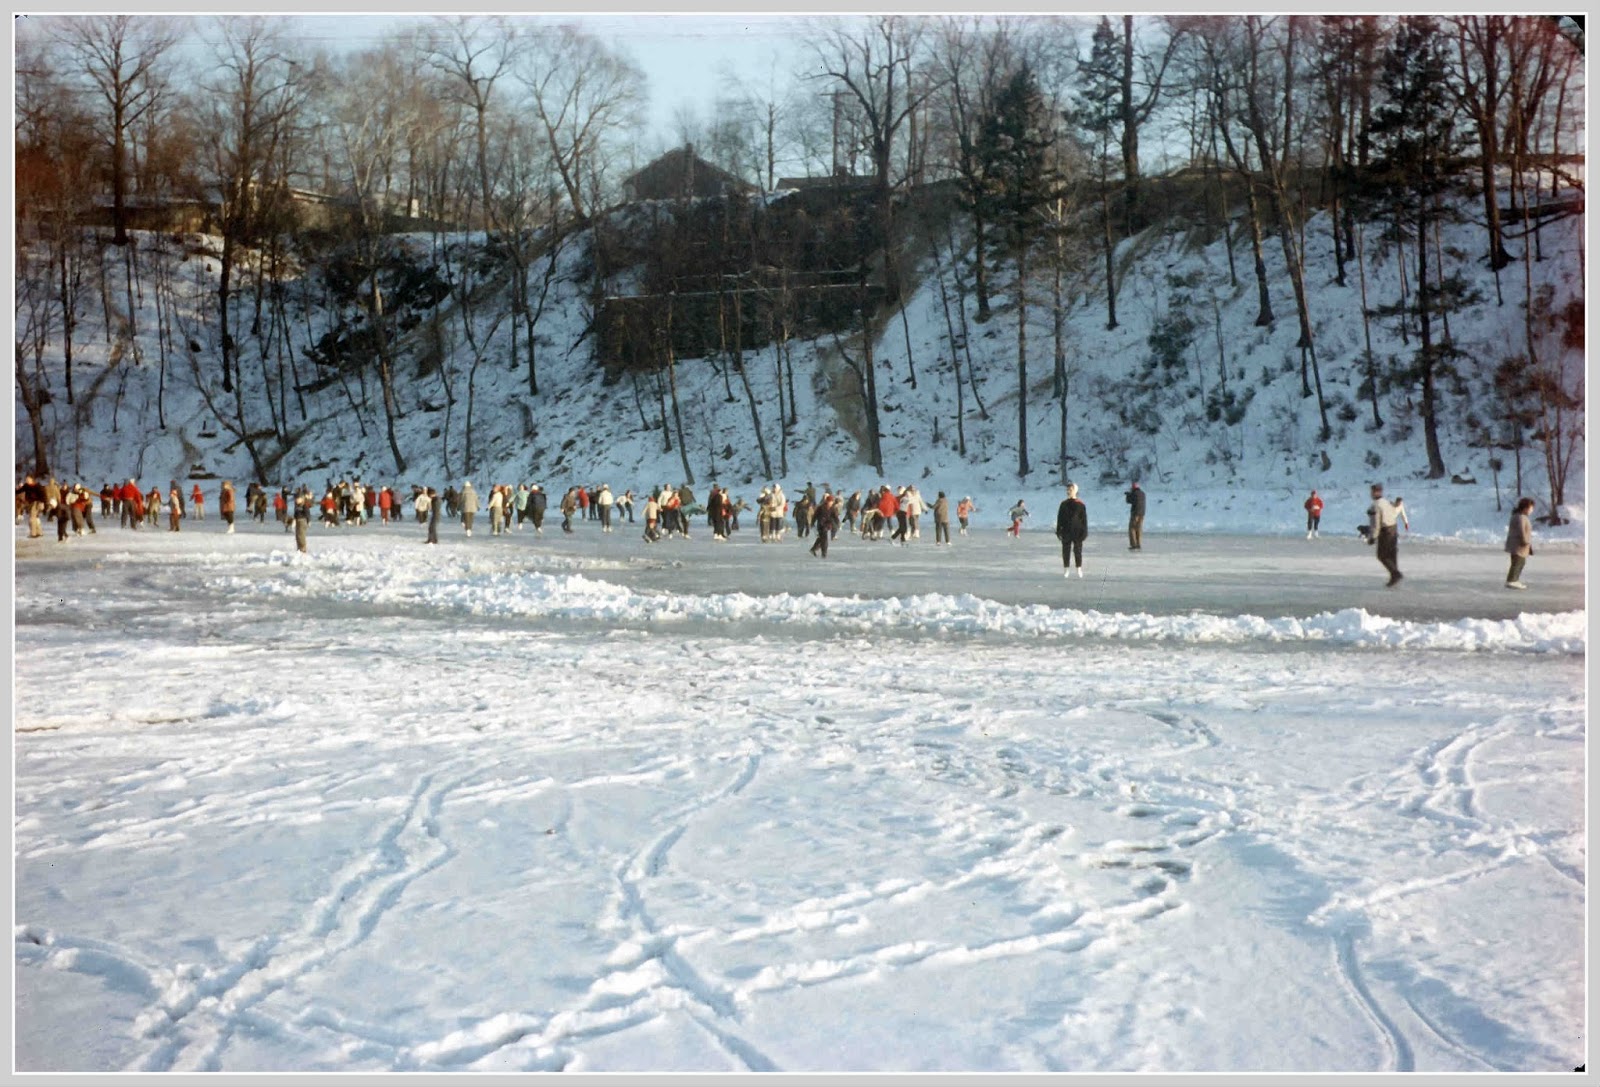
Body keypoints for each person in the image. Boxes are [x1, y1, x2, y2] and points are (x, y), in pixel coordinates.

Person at [1366, 483, 1407, 587]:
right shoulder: (1386, 502)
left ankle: (1395, 574)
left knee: (1382, 555)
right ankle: (1394, 576)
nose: (1370, 494)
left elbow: (1376, 523)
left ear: (1375, 492)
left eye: (1371, 492)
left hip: (1385, 532)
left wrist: (1373, 537)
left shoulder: (1376, 505)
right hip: (1393, 528)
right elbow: (1394, 513)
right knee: (1392, 554)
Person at [1055, 483, 1089, 578]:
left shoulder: (1080, 505)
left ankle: (1079, 568)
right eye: (1067, 489)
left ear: (1075, 491)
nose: (1068, 491)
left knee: (1077, 550)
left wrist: (1085, 531)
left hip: (1077, 531)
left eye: (1070, 489)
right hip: (1066, 530)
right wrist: (1058, 530)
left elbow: (1084, 519)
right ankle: (1066, 568)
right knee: (1066, 550)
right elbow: (1059, 518)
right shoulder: (1063, 504)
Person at [1504, 497, 1535, 589]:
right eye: (1531, 508)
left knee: (1519, 562)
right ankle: (1512, 580)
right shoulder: (1521, 517)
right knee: (1518, 562)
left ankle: (1514, 579)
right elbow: (1521, 531)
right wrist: (1525, 541)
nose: (1531, 510)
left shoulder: (1519, 516)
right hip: (1519, 545)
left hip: (1518, 544)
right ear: (1525, 508)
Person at [810, 493, 839, 558]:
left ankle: (814, 549)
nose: (831, 503)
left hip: (827, 525)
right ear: (827, 501)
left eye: (832, 502)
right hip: (821, 525)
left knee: (822, 539)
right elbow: (815, 516)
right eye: (830, 502)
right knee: (823, 539)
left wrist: (837, 523)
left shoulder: (832, 508)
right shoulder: (821, 508)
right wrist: (812, 523)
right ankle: (823, 553)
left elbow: (835, 517)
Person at [1125, 481, 1146, 550]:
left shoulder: (1134, 494)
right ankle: (1138, 544)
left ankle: (1133, 544)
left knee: (1132, 528)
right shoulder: (1143, 493)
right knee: (1138, 529)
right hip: (1142, 514)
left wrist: (1128, 495)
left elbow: (1129, 501)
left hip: (1135, 514)